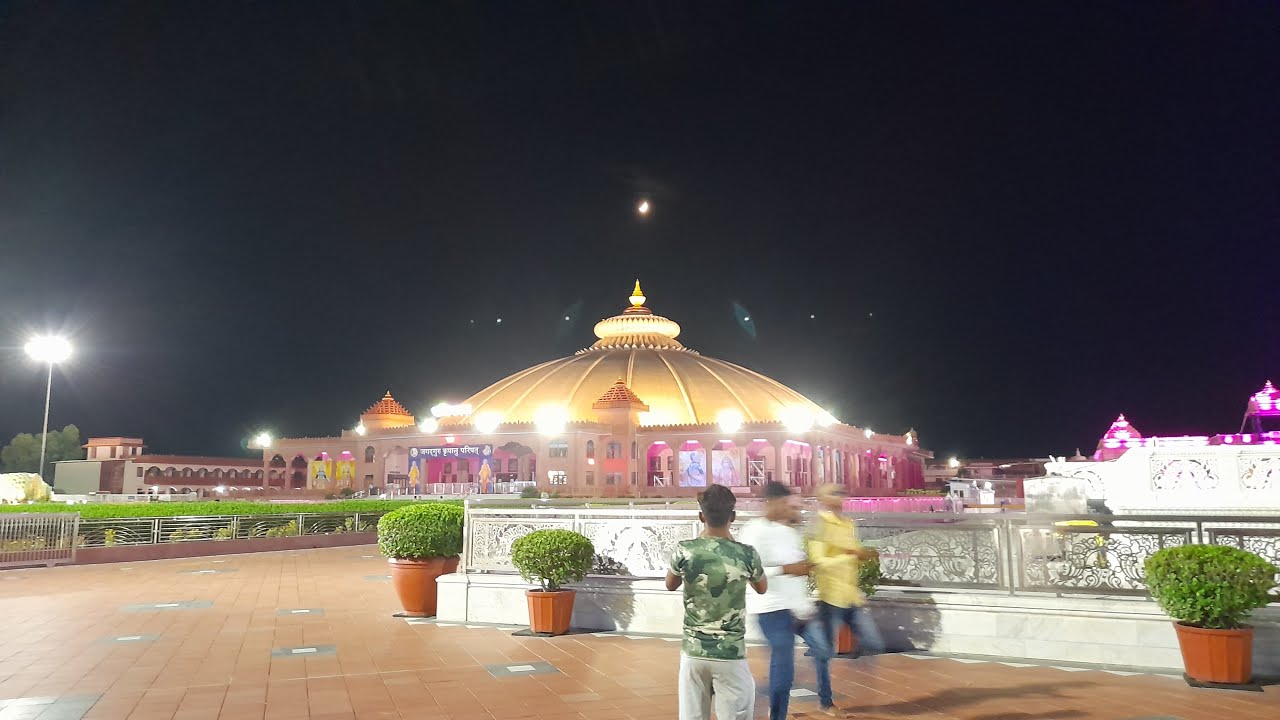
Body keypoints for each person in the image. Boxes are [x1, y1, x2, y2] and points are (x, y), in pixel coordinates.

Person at [666, 484, 767, 720]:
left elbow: (670, 584)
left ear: (701, 516)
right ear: (733, 516)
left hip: (693, 651)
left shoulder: (684, 551)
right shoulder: (746, 554)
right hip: (730, 653)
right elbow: (762, 588)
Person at [739, 482, 839, 719]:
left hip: (798, 610)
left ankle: (826, 702)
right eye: (785, 504)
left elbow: (796, 571)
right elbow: (749, 571)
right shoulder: (754, 531)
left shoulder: (790, 532)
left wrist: (805, 603)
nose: (789, 508)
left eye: (790, 504)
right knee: (784, 669)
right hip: (771, 609)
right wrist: (786, 569)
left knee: (824, 648)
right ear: (770, 503)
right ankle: (778, 715)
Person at [810, 485, 885, 665]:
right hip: (831, 597)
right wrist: (849, 556)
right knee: (825, 651)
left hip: (851, 596)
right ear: (823, 499)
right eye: (833, 494)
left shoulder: (847, 523)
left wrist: (862, 556)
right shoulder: (819, 524)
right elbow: (819, 562)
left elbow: (853, 553)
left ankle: (865, 685)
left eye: (841, 494)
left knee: (874, 643)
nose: (839, 498)